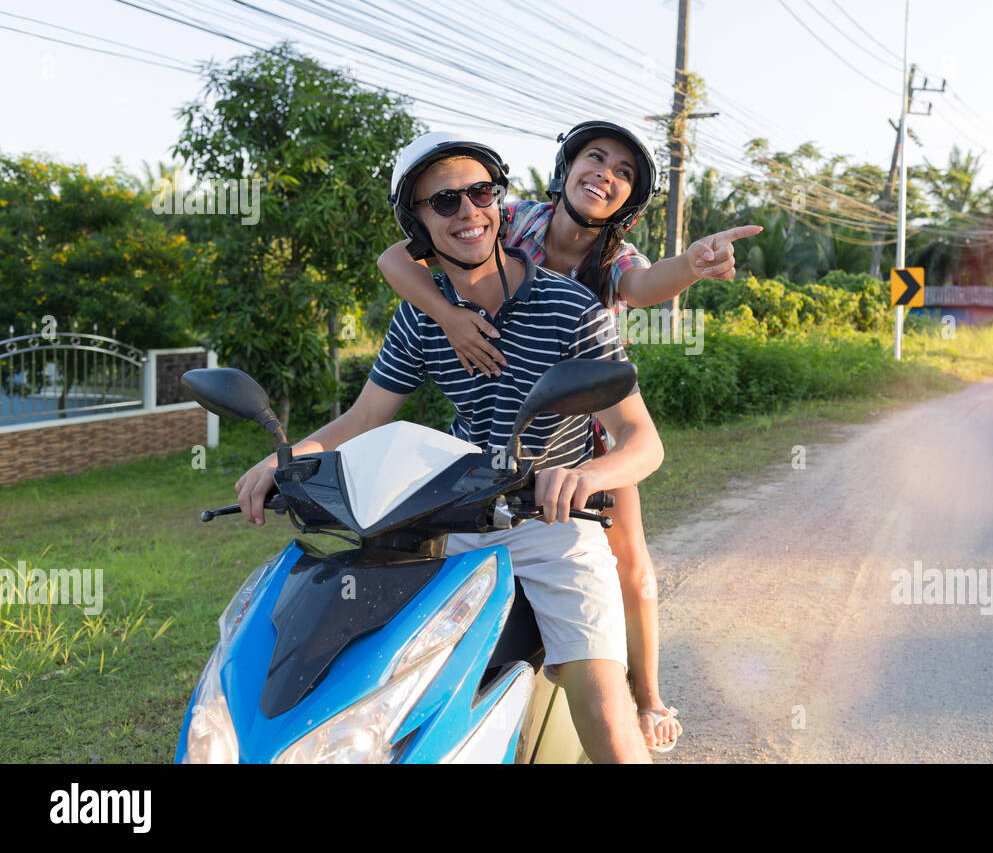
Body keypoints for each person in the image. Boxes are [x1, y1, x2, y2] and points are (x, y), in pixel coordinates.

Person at [235, 133, 663, 763]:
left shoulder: (570, 306)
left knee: (602, 707)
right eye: (444, 203)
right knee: (371, 671)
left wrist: (584, 475)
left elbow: (642, 441)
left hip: (550, 522)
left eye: (481, 193)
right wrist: (285, 458)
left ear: (499, 203)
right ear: (419, 227)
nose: (468, 212)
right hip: (454, 515)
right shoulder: (421, 318)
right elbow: (366, 417)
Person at [376, 120, 760, 752]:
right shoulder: (507, 215)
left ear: (627, 202)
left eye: (624, 173)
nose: (605, 173)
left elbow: (645, 287)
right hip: (490, 451)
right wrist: (449, 317)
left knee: (629, 562)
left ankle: (647, 695)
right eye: (595, 157)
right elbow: (398, 256)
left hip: (586, 427)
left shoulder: (610, 265)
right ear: (566, 167)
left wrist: (691, 266)